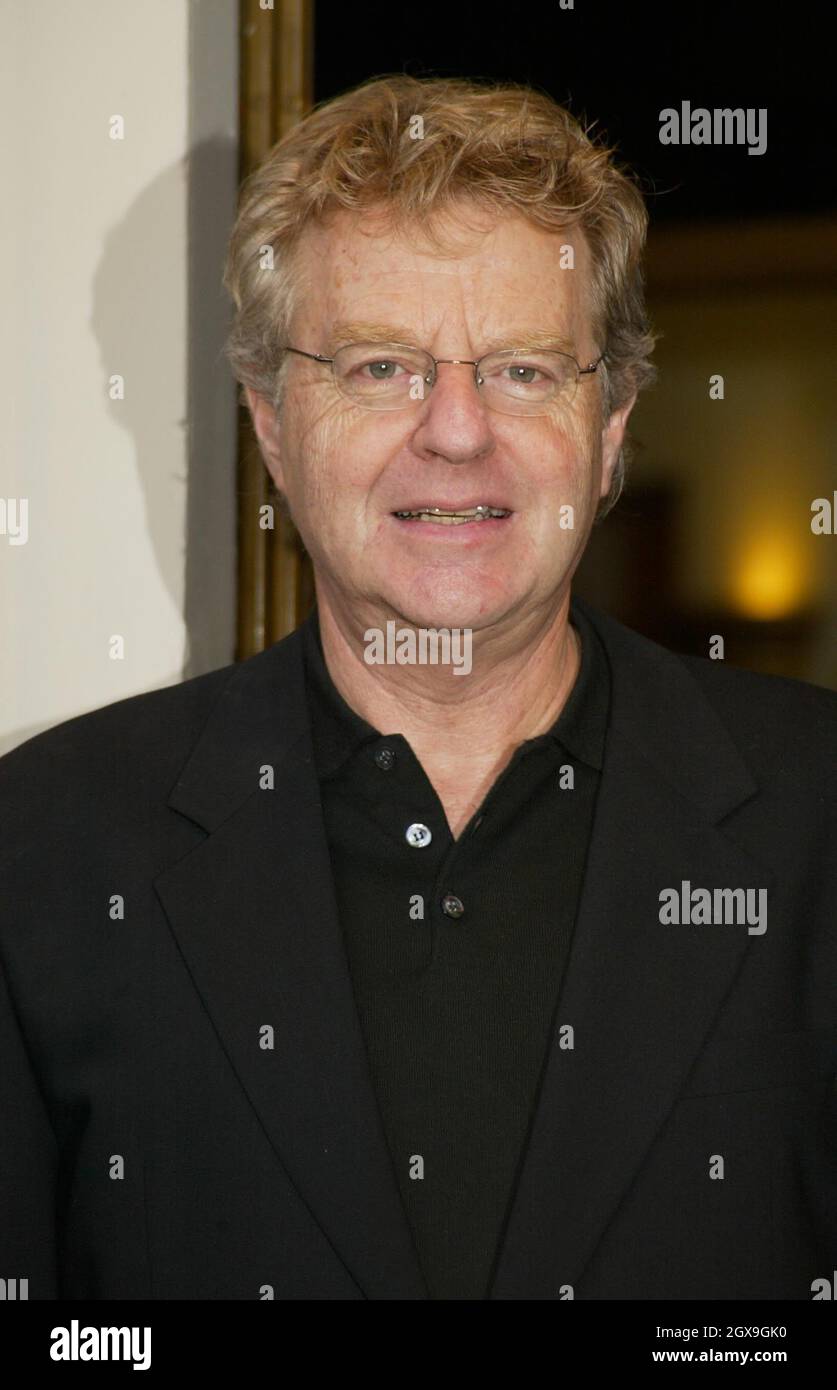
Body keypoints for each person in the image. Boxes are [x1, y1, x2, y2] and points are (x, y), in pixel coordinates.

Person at [1, 75, 835, 1301]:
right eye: (382, 365)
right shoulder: (47, 848)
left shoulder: (819, 822)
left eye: (525, 370)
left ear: (611, 427)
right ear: (275, 425)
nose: (455, 430)